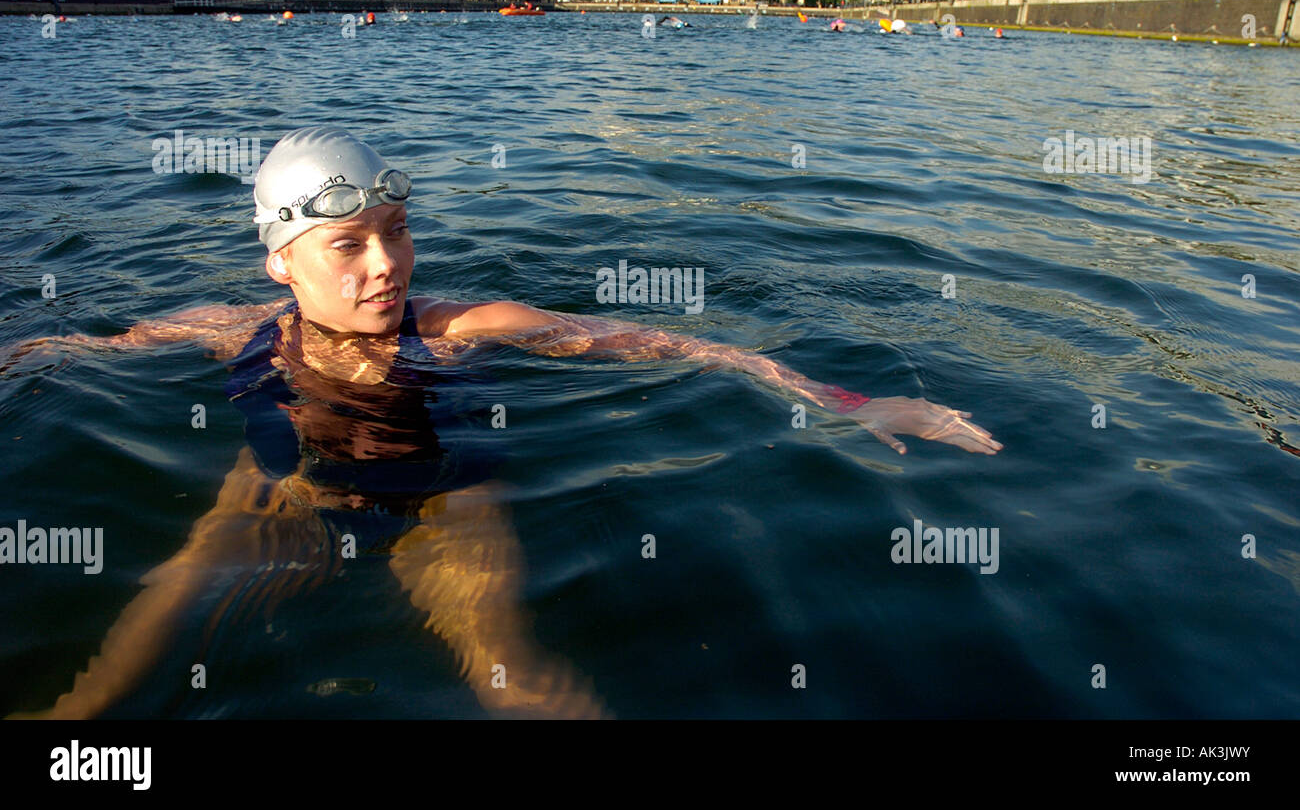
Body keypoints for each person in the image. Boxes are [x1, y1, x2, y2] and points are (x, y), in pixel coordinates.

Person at [3, 126, 1001, 720]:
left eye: (394, 233)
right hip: (291, 491)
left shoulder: (470, 328)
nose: (386, 266)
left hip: (448, 504)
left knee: (509, 672)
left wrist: (857, 405)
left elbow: (685, 348)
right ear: (281, 261)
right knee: (146, 629)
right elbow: (73, 349)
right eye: (348, 246)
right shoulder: (232, 332)